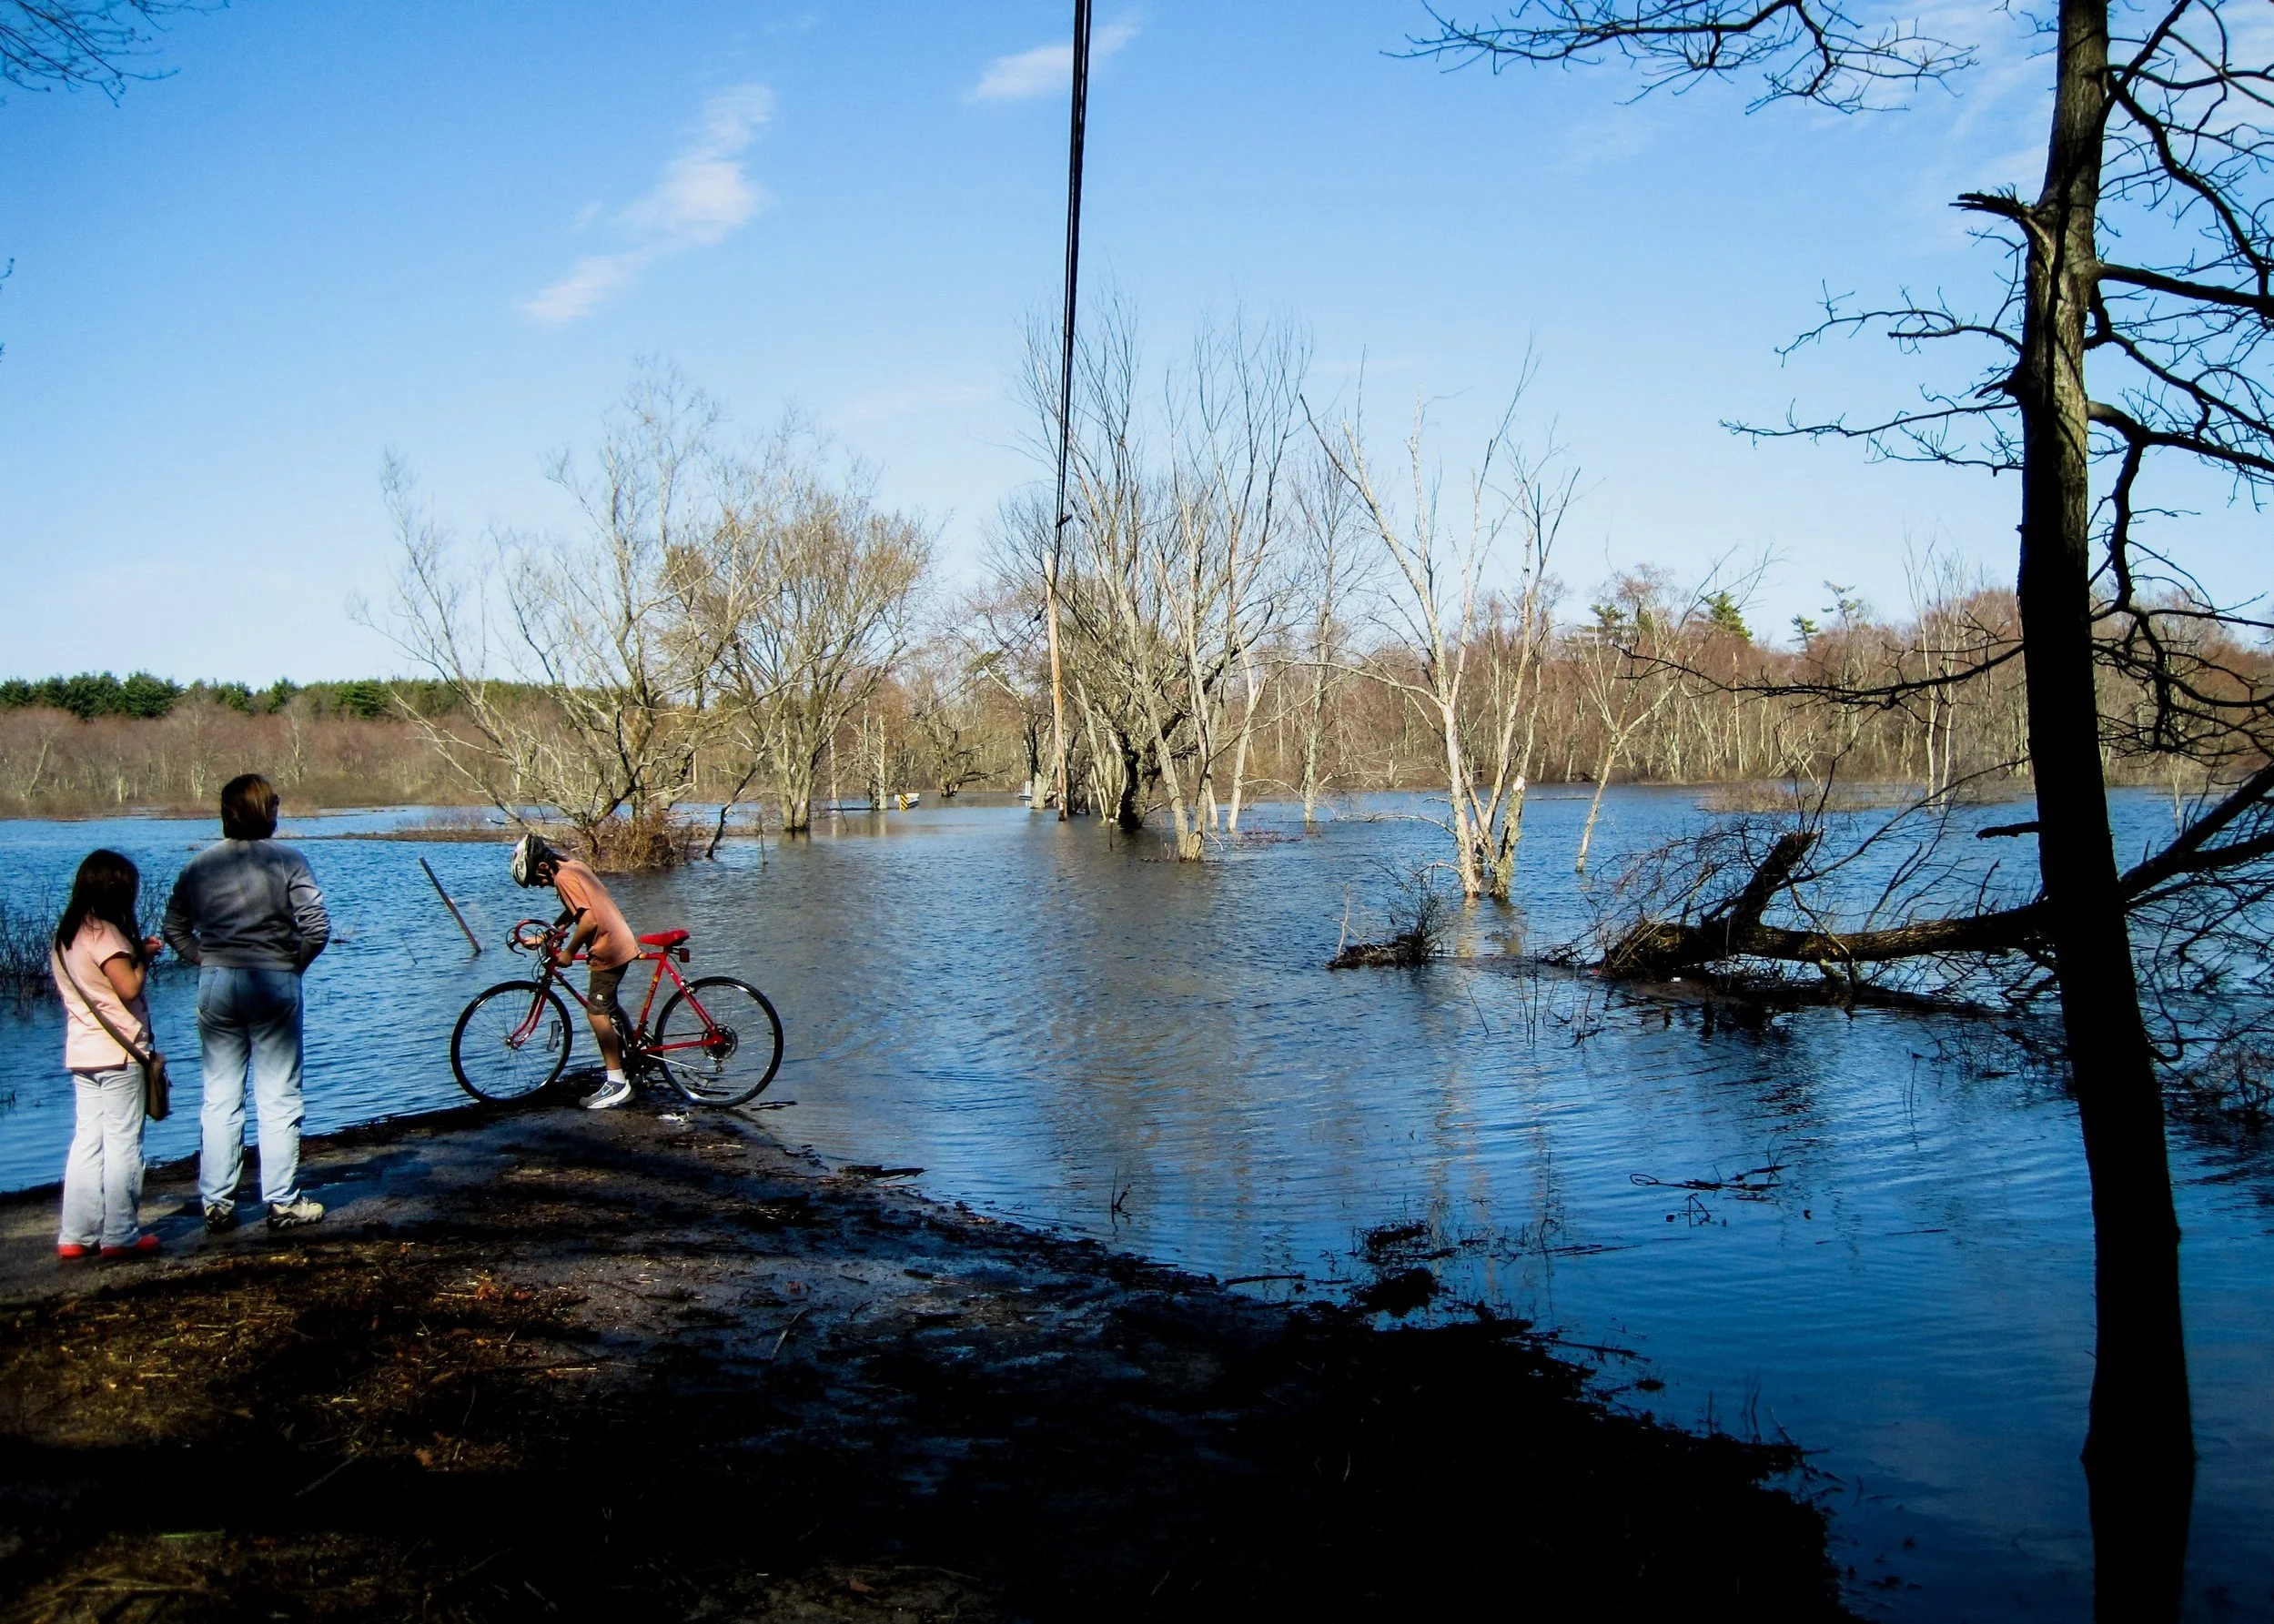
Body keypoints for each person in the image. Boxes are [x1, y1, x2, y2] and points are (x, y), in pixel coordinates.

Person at [163, 773, 330, 1232]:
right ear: (267, 811)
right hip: (273, 979)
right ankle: (281, 1200)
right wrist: (292, 963)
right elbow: (317, 927)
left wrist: (203, 958)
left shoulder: (200, 866)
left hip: (217, 981)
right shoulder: (288, 860)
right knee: (277, 1096)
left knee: (220, 1096)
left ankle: (217, 1201)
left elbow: (174, 926)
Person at [51, 850, 165, 1261]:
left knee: (87, 1142)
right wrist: (144, 959)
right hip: (119, 1052)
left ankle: (75, 1233)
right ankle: (120, 1234)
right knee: (123, 1145)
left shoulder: (66, 935)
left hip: (81, 1050)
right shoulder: (105, 934)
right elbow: (128, 988)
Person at [510, 832, 639, 1111]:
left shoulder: (562, 877)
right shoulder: (573, 866)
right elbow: (575, 910)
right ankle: (634, 1058)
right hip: (619, 939)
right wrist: (548, 935)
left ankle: (617, 1084)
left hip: (609, 947)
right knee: (607, 1004)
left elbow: (589, 920)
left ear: (542, 867)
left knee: (596, 1013)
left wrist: (569, 951)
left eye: (537, 880)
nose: (541, 885)